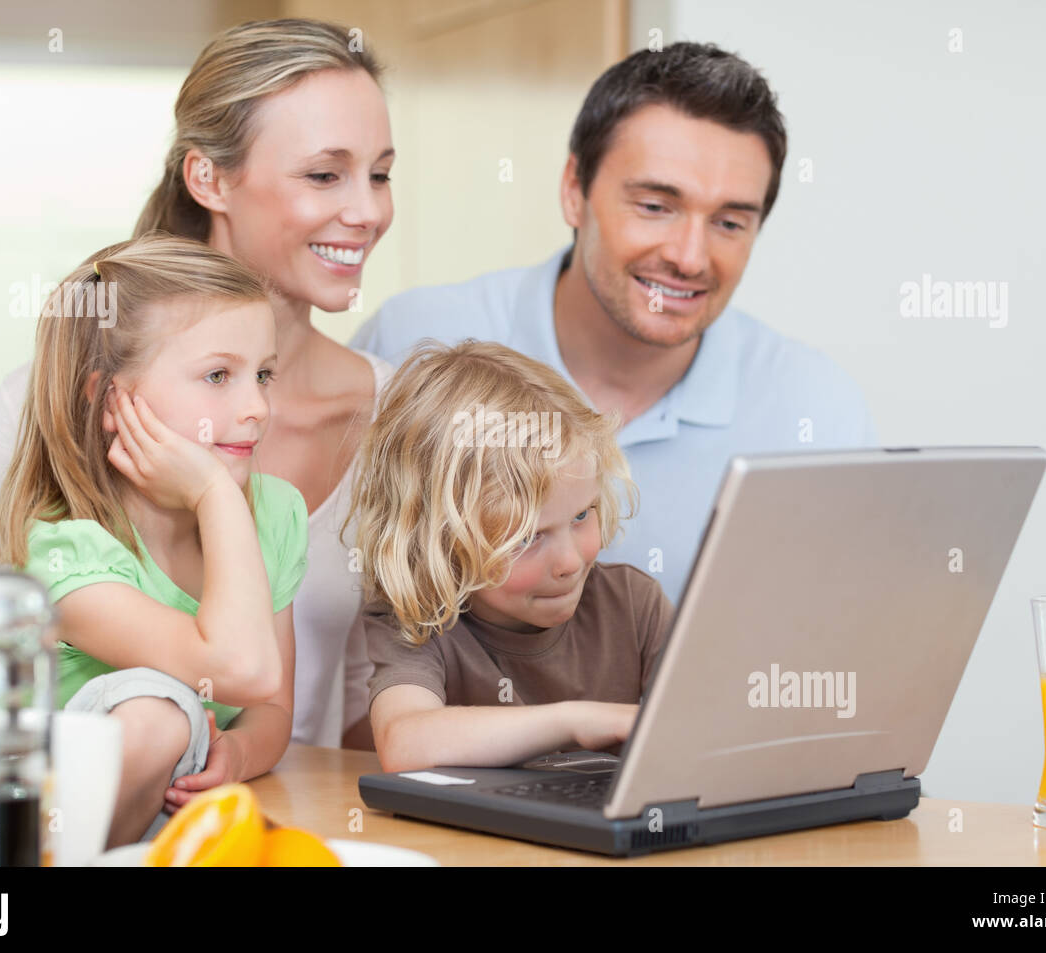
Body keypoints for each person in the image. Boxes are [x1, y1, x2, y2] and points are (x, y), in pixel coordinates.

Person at [0, 18, 395, 751]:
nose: (369, 211)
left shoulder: (400, 414)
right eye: (324, 173)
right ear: (207, 177)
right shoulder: (47, 401)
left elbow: (368, 689)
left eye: (380, 174)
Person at [352, 42, 877, 604]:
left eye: (728, 222)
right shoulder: (412, 341)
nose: (691, 257)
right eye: (655, 206)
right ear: (574, 190)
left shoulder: (818, 413)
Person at [0, 235, 304, 845]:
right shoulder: (65, 552)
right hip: (39, 819)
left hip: (163, 816)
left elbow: (268, 702)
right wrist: (215, 495)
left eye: (263, 374)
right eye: (218, 375)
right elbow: (239, 668)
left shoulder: (273, 512)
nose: (256, 407)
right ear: (109, 398)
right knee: (160, 710)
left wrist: (238, 755)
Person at [346, 341, 675, 772]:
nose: (570, 562)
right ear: (441, 540)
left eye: (581, 515)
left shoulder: (634, 603)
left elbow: (716, 725)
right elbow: (404, 744)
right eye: (525, 539)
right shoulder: (418, 621)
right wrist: (576, 721)